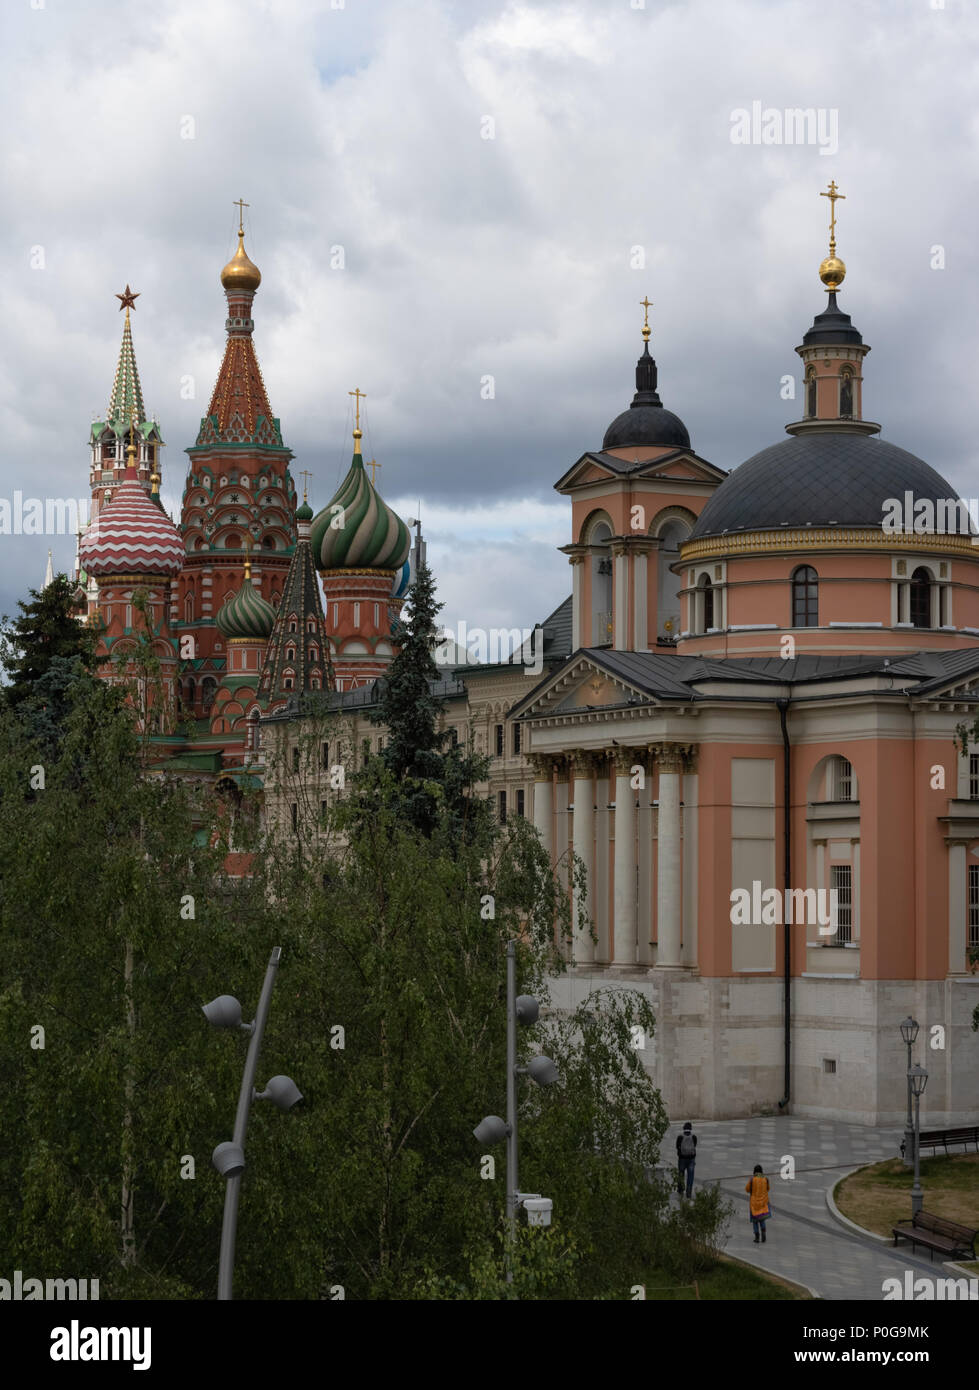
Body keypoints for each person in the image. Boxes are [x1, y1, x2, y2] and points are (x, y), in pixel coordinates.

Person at [745, 1164, 770, 1243]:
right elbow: (768, 1189)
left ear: (754, 1171)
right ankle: (763, 1233)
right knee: (762, 1219)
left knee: (755, 1221)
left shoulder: (752, 1180)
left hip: (754, 1203)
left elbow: (747, 1189)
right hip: (763, 1203)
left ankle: (757, 1237)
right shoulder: (766, 1179)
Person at [675, 1121, 697, 1198]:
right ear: (691, 1129)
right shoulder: (694, 1137)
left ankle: (680, 1190)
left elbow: (677, 1146)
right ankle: (689, 1192)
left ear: (684, 1128)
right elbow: (695, 1145)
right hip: (691, 1159)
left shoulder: (680, 1137)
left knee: (681, 1174)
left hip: (682, 1159)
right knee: (690, 1176)